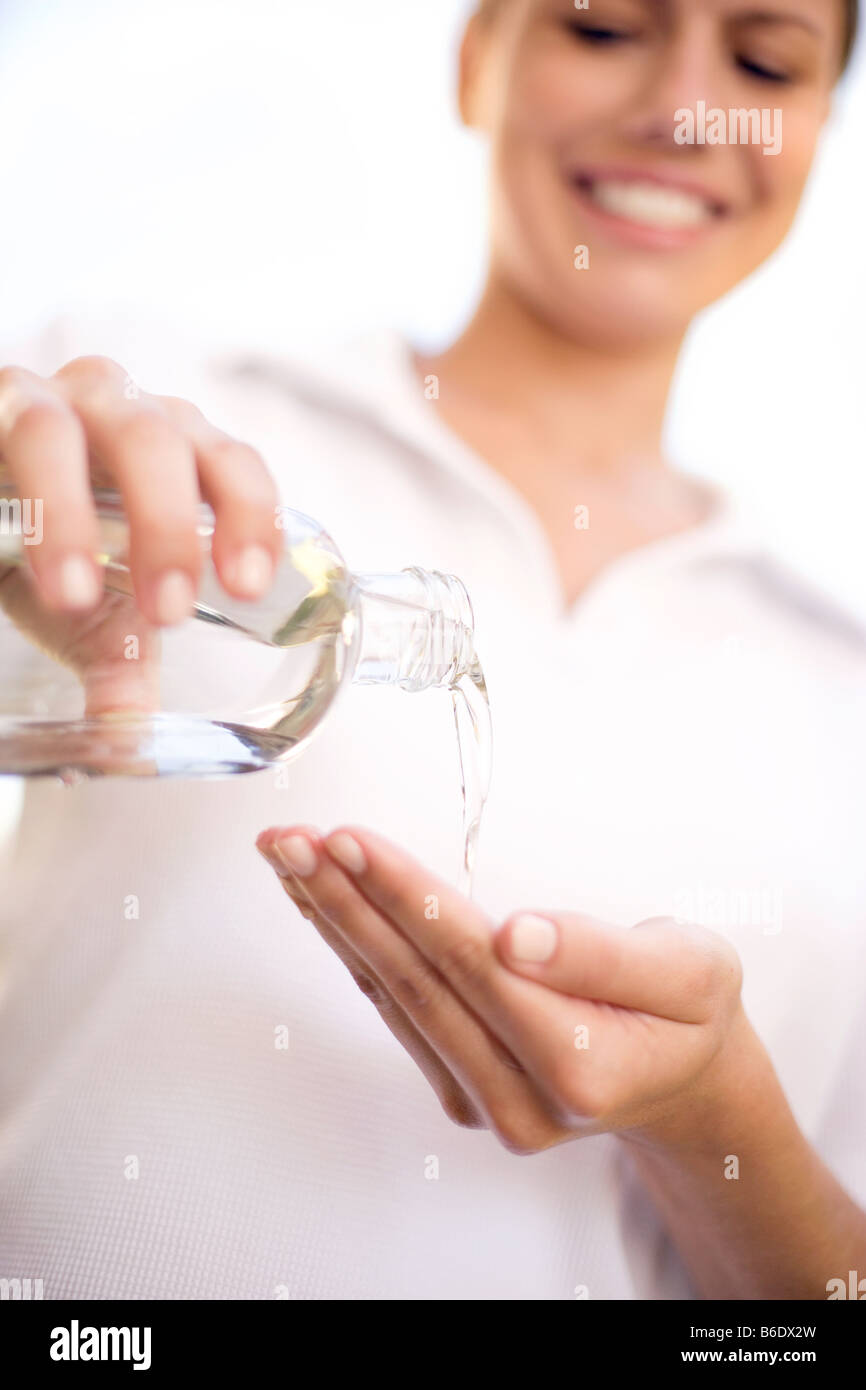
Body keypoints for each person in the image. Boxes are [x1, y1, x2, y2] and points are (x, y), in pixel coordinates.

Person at [0, 0, 864, 1300]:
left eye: (761, 61)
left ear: (812, 130)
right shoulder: (161, 415)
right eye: (602, 25)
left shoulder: (838, 685)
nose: (687, 109)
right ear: (476, 58)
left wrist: (713, 1117)